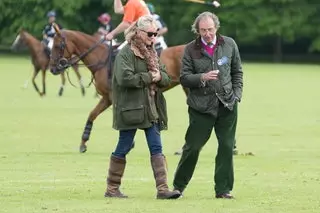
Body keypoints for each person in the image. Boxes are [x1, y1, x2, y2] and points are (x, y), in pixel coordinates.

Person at [104, 15, 181, 200]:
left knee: (157, 148)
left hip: (150, 108)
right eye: (150, 34)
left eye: (155, 34)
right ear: (139, 32)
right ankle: (112, 189)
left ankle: (162, 190)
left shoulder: (152, 52)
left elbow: (166, 77)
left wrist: (158, 77)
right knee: (123, 146)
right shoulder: (126, 53)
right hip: (130, 109)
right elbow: (125, 79)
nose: (153, 37)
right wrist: (150, 77)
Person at [172, 11, 243, 199]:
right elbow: (184, 78)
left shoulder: (229, 44)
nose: (207, 34)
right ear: (197, 30)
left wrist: (237, 95)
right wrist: (202, 77)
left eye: (210, 29)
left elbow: (237, 72)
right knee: (192, 147)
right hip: (201, 107)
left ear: (216, 28)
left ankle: (223, 189)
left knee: (227, 147)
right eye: (203, 30)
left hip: (227, 104)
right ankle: (178, 186)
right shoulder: (190, 49)